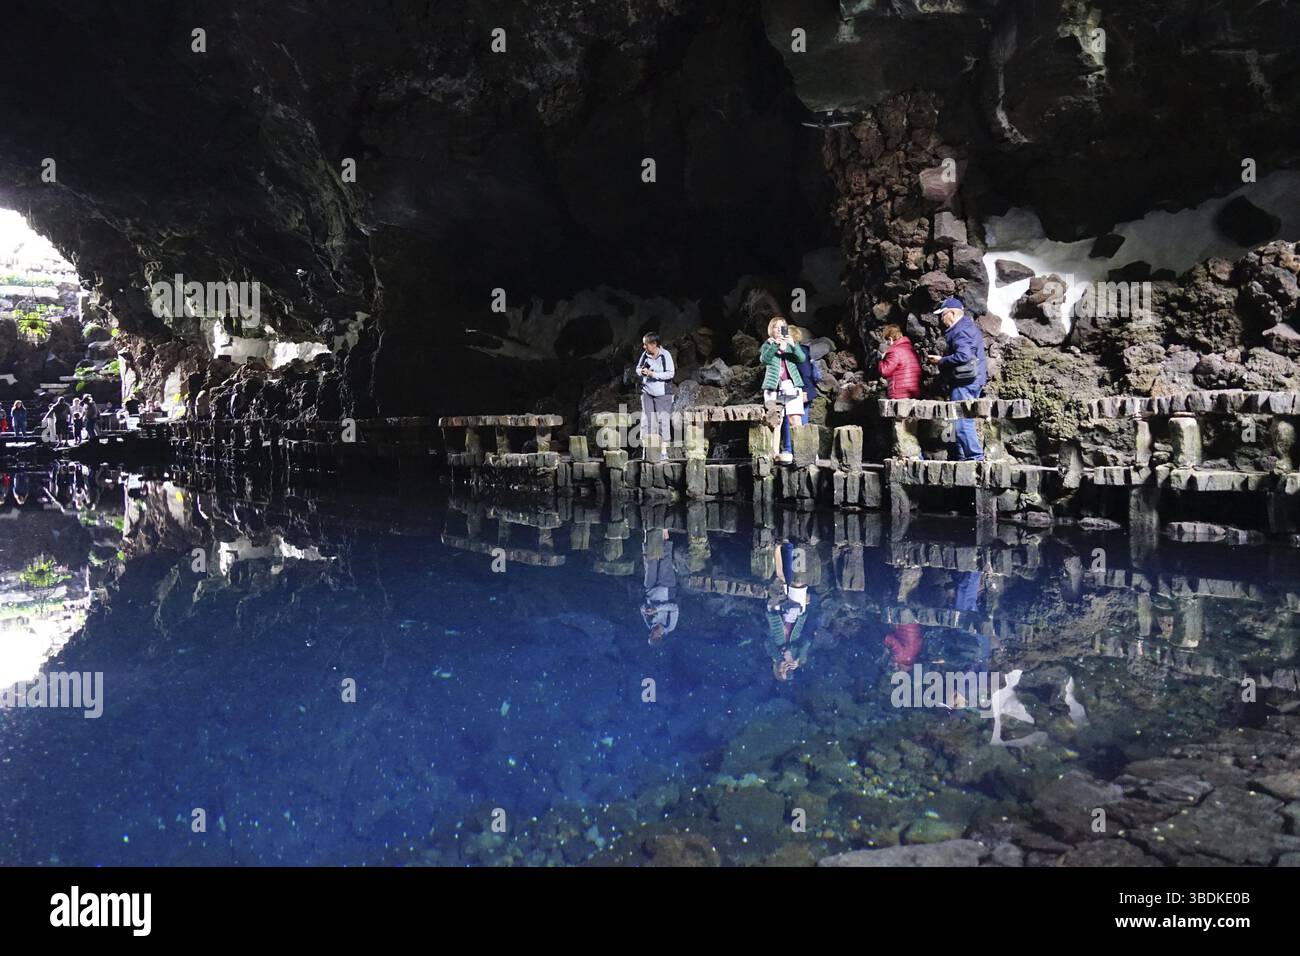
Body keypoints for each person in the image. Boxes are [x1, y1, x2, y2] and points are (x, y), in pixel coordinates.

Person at [925, 297, 988, 461]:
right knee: (957, 419)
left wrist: (941, 361)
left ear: (952, 313)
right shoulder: (967, 327)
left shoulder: (960, 330)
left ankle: (974, 457)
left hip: (965, 382)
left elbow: (963, 356)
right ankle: (960, 455)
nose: (941, 319)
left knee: (961, 420)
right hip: (969, 380)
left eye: (942, 315)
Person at [759, 316, 806, 463]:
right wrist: (775, 345)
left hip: (792, 386)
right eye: (776, 327)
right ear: (771, 330)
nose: (779, 330)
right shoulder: (767, 344)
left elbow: (801, 358)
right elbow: (764, 360)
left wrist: (792, 344)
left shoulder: (792, 344)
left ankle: (802, 453)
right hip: (774, 388)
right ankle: (774, 454)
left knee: (796, 419)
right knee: (775, 421)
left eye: (782, 327)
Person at [636, 333, 675, 462]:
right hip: (647, 392)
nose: (644, 346)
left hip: (663, 393)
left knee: (662, 422)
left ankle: (663, 452)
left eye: (646, 344)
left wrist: (653, 374)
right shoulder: (645, 355)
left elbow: (670, 373)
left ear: (654, 344)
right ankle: (647, 451)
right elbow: (637, 368)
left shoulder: (665, 355)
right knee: (647, 421)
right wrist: (641, 372)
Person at [640, 528, 679, 645]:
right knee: (665, 560)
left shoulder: (649, 624)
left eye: (650, 634)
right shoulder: (669, 625)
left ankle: (648, 533)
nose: (651, 632)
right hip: (666, 589)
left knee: (649, 561)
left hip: (650, 590)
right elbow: (674, 608)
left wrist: (646, 609)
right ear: (659, 636)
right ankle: (664, 530)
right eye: (652, 635)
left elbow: (641, 609)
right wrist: (657, 609)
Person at [877, 324, 922, 399]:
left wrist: (881, 359)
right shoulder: (910, 348)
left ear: (890, 339)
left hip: (900, 392)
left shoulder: (894, 351)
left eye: (887, 341)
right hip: (914, 390)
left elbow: (884, 371)